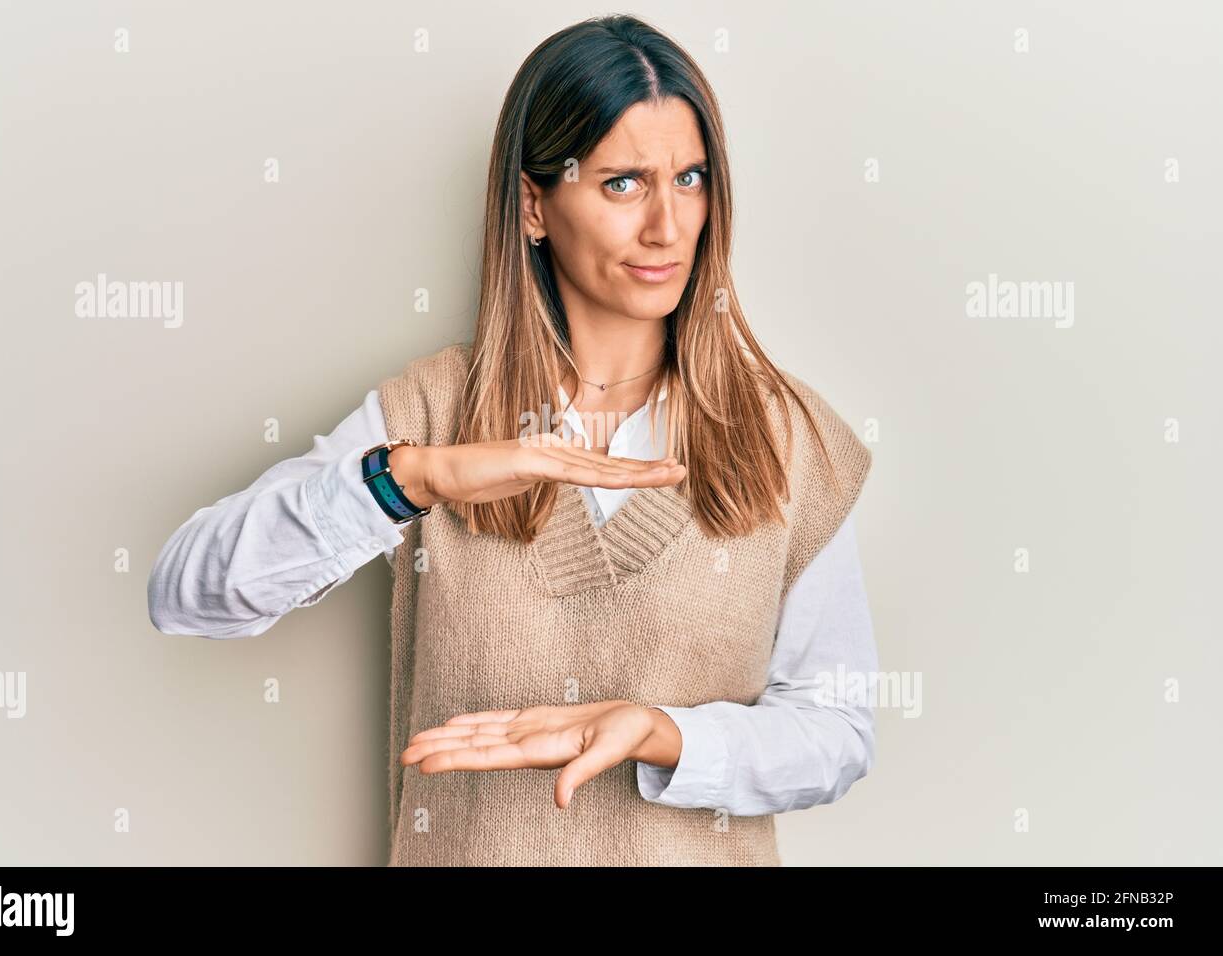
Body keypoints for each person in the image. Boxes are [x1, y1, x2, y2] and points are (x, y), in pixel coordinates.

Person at [148, 13, 875, 867]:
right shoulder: (430, 411)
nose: (669, 228)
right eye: (622, 184)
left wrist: (662, 733)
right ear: (535, 204)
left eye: (690, 178)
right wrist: (411, 481)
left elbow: (837, 730)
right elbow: (184, 594)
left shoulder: (783, 437)